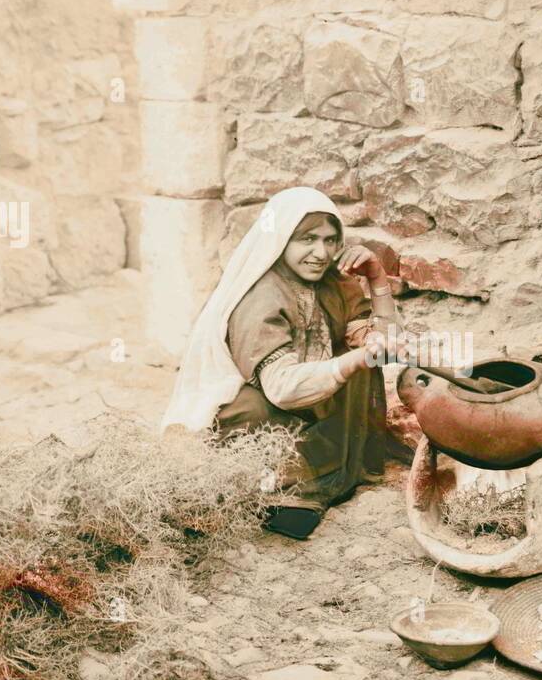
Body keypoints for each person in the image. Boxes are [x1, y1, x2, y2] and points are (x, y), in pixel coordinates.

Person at [161, 186, 405, 539]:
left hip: (309, 404)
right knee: (262, 411)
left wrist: (377, 278)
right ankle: (273, 488)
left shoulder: (333, 282)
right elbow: (281, 389)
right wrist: (353, 360)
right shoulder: (259, 298)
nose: (320, 253)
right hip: (262, 410)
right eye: (306, 239)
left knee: (361, 372)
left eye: (330, 240)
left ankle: (296, 482)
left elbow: (387, 342)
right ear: (280, 239)